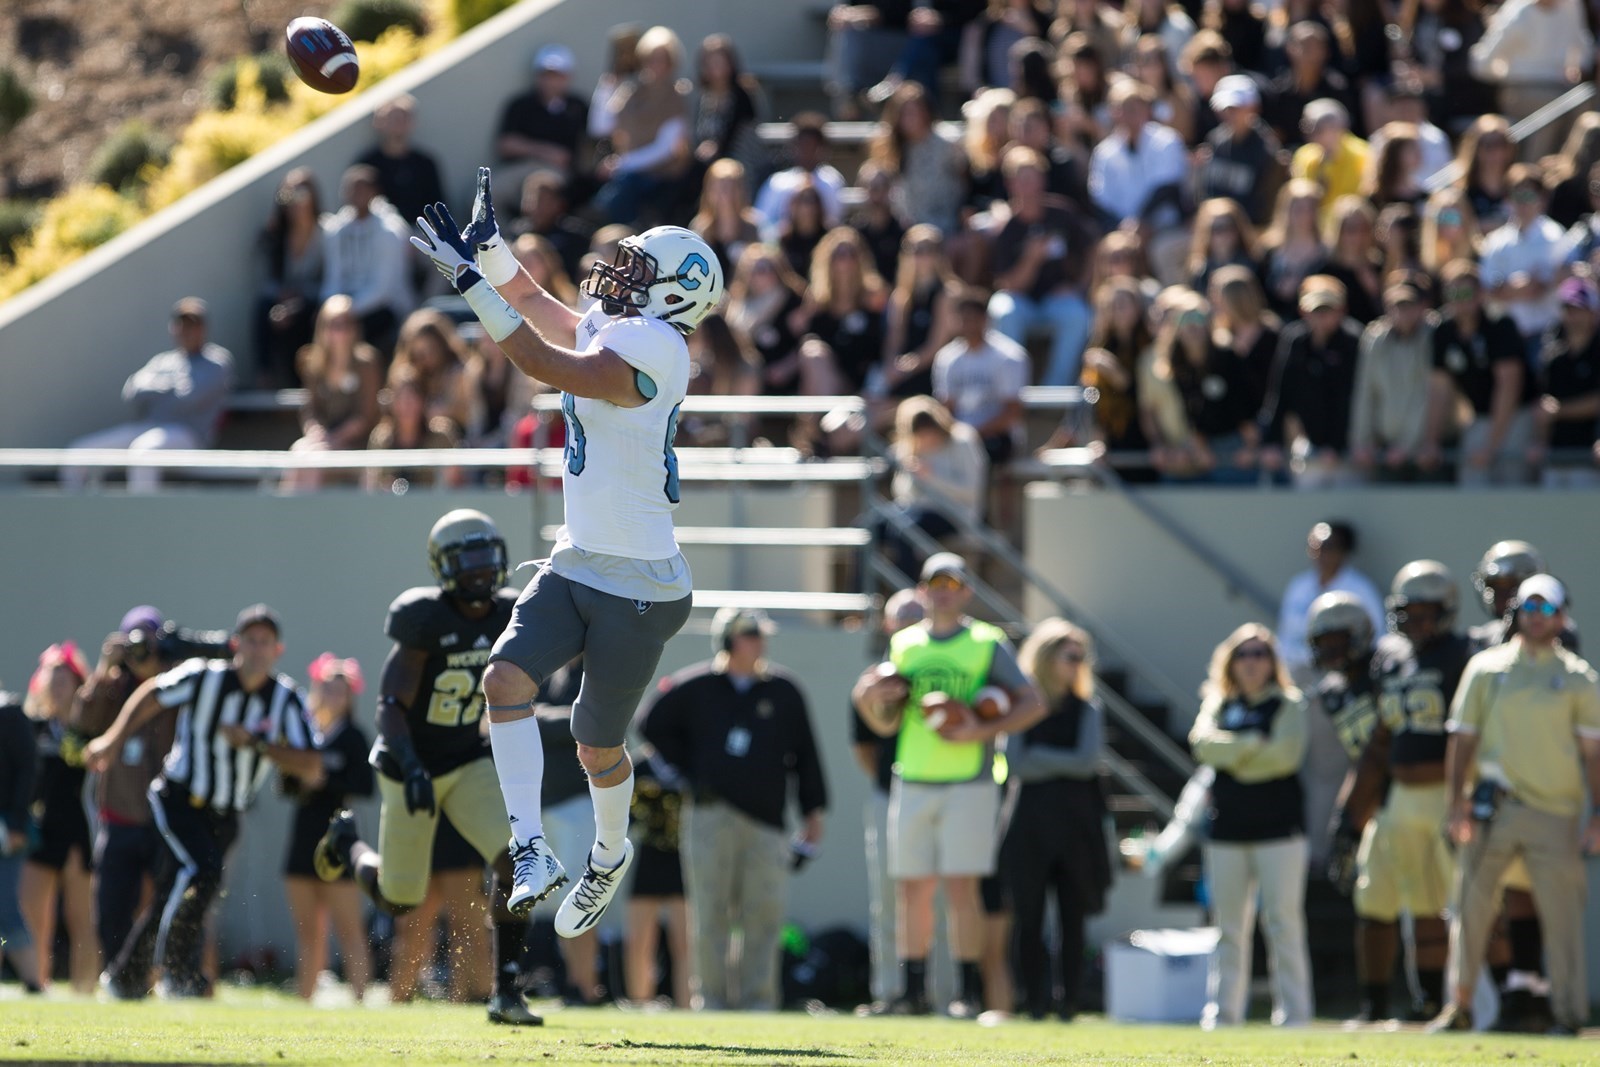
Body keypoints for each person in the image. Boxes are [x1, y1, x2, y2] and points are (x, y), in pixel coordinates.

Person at [407, 169, 720, 953]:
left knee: (594, 747)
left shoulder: (659, 347)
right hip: (579, 557)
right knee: (504, 681)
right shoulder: (626, 325)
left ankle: (607, 855)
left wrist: (472, 285)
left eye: (642, 271)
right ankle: (532, 847)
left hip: (641, 584)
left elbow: (548, 364)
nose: (623, 275)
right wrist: (495, 254)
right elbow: (554, 315)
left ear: (673, 299)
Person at [311, 509, 538, 1025]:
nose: (482, 571)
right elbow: (391, 705)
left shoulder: (510, 613)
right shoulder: (425, 618)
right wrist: (411, 767)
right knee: (399, 899)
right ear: (444, 566)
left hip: (464, 758)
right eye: (469, 560)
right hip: (409, 762)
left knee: (517, 859)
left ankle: (506, 989)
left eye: (488, 558)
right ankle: (348, 844)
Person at [86, 604, 320, 999]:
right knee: (202, 872)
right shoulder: (203, 677)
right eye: (250, 640)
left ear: (277, 650)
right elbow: (152, 693)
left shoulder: (286, 698)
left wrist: (257, 743)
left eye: (266, 642)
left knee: (183, 888)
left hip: (226, 812)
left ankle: (125, 977)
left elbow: (312, 765)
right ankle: (176, 972)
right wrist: (113, 738)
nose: (257, 649)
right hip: (179, 799)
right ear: (235, 644)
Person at [851, 553, 1045, 1018]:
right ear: (921, 590)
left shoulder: (986, 641)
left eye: (952, 583)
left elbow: (1031, 702)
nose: (942, 591)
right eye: (934, 582)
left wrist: (978, 731)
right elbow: (883, 723)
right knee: (911, 890)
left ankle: (965, 992)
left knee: (962, 888)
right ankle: (912, 991)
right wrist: (869, 698)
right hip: (913, 776)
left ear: (967, 592)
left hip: (969, 781)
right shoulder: (905, 644)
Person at [1432, 575, 1600, 1035]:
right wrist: (1456, 804)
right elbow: (1462, 740)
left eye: (1546, 609)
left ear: (1563, 616)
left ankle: (1568, 1015)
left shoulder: (1578, 679)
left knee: (1562, 918)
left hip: (1556, 814)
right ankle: (1459, 1007)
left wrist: (1597, 816)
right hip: (1495, 808)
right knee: (1471, 909)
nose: (1536, 617)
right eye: (1529, 608)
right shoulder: (1486, 668)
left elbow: (1593, 756)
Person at [638, 608, 828, 1011]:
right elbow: (650, 724)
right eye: (748, 634)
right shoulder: (696, 686)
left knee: (764, 913)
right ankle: (712, 1000)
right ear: (726, 640)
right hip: (710, 814)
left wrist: (813, 813)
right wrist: (689, 772)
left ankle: (760, 1000)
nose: (758, 642)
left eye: (761, 634)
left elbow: (806, 755)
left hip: (767, 821)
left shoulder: (783, 690)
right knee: (709, 912)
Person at [1334, 562, 1474, 1022]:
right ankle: (1382, 1006)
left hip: (1448, 792)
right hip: (1399, 796)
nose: (1416, 622)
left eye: (1425, 612)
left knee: (1442, 906)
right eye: (1407, 613)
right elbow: (1377, 744)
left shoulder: (1463, 654)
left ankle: (1447, 1002)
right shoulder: (1390, 659)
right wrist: (1350, 818)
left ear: (1447, 611)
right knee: (1385, 903)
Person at [70, 607, 222, 969]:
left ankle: (184, 975)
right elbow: (83, 721)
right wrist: (106, 666)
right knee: (112, 909)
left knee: (179, 903)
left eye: (147, 643)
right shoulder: (114, 688)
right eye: (133, 643)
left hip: (166, 819)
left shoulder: (180, 684)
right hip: (120, 816)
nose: (140, 653)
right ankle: (121, 978)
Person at [1189, 623, 1312, 1029]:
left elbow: (1284, 757)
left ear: (1272, 662)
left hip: (1279, 831)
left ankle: (1294, 1016)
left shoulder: (1289, 704)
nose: (1251, 662)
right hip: (1226, 831)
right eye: (1243, 654)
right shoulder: (1218, 704)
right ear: (1230, 661)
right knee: (1229, 929)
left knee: (1283, 924)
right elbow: (1203, 745)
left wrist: (1233, 757)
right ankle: (1223, 1015)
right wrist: (1250, 746)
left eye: (1260, 654)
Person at [1004, 618, 1109, 1021]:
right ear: (1048, 658)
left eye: (1081, 658)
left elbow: (1086, 764)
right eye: (1070, 656)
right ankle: (1033, 1001)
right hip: (1028, 826)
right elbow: (1014, 764)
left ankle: (1070, 1003)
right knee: (1027, 917)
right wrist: (1057, 763)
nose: (1077, 664)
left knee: (1073, 919)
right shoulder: (1023, 705)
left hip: (1077, 827)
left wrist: (1041, 759)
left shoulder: (1088, 709)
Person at [62, 298, 234, 493]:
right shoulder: (163, 360)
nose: (186, 331)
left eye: (192, 325)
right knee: (78, 452)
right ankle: (77, 518)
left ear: (203, 329)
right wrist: (168, 386)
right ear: (173, 328)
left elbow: (188, 398)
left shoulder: (217, 361)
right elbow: (131, 390)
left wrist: (155, 387)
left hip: (188, 435)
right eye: (182, 324)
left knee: (143, 452)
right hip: (148, 427)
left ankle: (140, 521)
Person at [283, 654, 374, 1002]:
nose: (334, 697)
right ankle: (306, 998)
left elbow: (365, 786)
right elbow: (285, 783)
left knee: (349, 927)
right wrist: (303, 781)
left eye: (341, 691)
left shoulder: (353, 736)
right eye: (327, 689)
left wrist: (325, 780)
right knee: (308, 931)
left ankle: (360, 998)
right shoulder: (303, 733)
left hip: (339, 839)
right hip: (303, 837)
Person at [850, 590, 925, 1012]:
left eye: (919, 616)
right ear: (889, 626)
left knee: (938, 900)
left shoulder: (942, 672)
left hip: (940, 791)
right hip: (889, 796)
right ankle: (889, 992)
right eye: (903, 618)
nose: (911, 624)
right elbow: (865, 748)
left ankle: (943, 993)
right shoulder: (873, 681)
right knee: (888, 900)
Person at [986, 146, 1097, 388]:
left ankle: (1055, 388)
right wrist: (1031, 259)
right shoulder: (1006, 229)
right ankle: (1010, 387)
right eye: (1022, 179)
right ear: (1010, 184)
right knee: (1002, 310)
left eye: (1033, 178)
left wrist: (1078, 287)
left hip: (1057, 298)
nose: (1029, 186)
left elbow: (1092, 250)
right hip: (1022, 302)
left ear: (1043, 180)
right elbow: (1009, 285)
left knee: (1079, 315)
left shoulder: (1063, 213)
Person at [19, 643, 94, 993]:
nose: (58, 684)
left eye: (66, 678)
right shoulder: (33, 727)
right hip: (39, 828)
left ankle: (85, 986)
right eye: (53, 677)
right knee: (32, 911)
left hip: (75, 828)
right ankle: (40, 981)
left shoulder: (85, 729)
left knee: (80, 916)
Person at [1420, 260, 1531, 485]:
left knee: (1513, 485)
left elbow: (1508, 387)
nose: (1460, 300)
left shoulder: (1500, 324)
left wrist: (1492, 446)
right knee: (1472, 482)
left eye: (1466, 293)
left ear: (1480, 294)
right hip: (1479, 417)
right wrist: (1431, 441)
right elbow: (1440, 389)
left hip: (1516, 415)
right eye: (1453, 293)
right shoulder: (1444, 331)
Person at [1258, 275, 1364, 487]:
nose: (1321, 317)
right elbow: (1279, 394)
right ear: (1303, 311)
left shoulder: (1355, 341)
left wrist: (1336, 445)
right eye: (1316, 311)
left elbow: (1350, 398)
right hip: (1311, 447)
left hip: (1352, 449)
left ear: (1341, 310)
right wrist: (1272, 442)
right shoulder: (1294, 341)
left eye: (1328, 310)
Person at [591, 26, 693, 227]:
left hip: (662, 177)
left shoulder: (677, 96)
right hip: (629, 173)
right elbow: (600, 127)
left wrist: (621, 163)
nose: (655, 65)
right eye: (650, 59)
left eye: (662, 59)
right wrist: (608, 84)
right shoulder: (632, 91)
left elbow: (666, 149)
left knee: (620, 194)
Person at [1469, 0, 1594, 163]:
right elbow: (1482, 63)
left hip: (1564, 92)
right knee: (1547, 111)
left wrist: (1577, 70)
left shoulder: (1571, 6)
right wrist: (1514, 76)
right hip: (1523, 91)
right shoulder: (1517, 12)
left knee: (1586, 108)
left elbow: (1583, 48)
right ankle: (1532, 170)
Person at [879, 395, 988, 582]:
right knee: (866, 528)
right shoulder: (908, 445)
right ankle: (858, 605)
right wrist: (911, 473)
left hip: (954, 515)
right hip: (913, 511)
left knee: (906, 532)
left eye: (929, 429)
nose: (925, 436)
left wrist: (931, 477)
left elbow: (972, 491)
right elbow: (902, 495)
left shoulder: (963, 440)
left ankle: (910, 597)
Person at [282, 295, 382, 493]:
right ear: (323, 327)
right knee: (297, 452)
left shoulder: (367, 363)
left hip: (357, 443)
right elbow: (310, 409)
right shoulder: (312, 362)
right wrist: (314, 430)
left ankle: (308, 518)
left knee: (317, 461)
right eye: (334, 324)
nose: (341, 331)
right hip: (324, 440)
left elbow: (366, 416)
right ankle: (288, 516)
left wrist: (334, 438)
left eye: (347, 324)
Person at [321, 164, 415, 360]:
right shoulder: (336, 230)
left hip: (383, 307)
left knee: (359, 327)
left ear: (374, 192)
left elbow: (382, 289)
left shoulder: (389, 231)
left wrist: (347, 311)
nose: (356, 195)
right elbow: (333, 275)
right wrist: (330, 307)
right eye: (351, 189)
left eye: (362, 189)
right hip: (346, 305)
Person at [1348, 280, 1437, 482]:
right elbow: (1366, 392)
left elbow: (1426, 395)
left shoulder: (1434, 337)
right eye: (1396, 306)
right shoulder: (1375, 340)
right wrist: (1362, 442)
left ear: (1421, 307)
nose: (1402, 312)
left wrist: (1407, 446)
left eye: (1408, 306)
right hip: (1386, 451)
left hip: (1424, 453)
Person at [933, 284, 1030, 466]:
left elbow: (1012, 412)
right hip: (958, 437)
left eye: (973, 318)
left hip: (997, 437)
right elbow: (946, 408)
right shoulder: (947, 358)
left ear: (985, 319)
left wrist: (975, 433)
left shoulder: (1009, 356)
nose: (968, 324)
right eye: (963, 319)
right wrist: (961, 434)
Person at [623, 746, 690, 1007]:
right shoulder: (640, 766)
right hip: (648, 858)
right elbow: (626, 814)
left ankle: (689, 1004)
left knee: (685, 942)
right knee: (639, 940)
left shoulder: (692, 761)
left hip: (684, 862)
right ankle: (640, 1002)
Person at [1277, 520, 1386, 670]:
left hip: (1346, 670)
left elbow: (1376, 634)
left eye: (1328, 547)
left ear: (1344, 551)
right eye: (1314, 547)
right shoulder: (1298, 585)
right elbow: (1285, 635)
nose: (1321, 553)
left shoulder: (1361, 589)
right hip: (1298, 669)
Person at [255, 168, 326, 387]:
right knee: (265, 308)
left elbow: (332, 280)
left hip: (315, 301)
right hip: (284, 301)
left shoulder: (327, 232)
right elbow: (271, 281)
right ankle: (265, 374)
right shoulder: (277, 236)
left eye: (301, 194)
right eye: (288, 195)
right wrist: (283, 295)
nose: (295, 202)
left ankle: (304, 383)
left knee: (299, 315)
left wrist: (300, 297)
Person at [494, 45, 589, 206]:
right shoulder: (521, 104)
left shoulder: (578, 106)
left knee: (544, 200)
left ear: (568, 77)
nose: (551, 82)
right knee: (485, 197)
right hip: (522, 168)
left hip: (562, 173)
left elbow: (590, 145)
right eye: (546, 75)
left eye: (557, 76)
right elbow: (506, 144)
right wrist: (545, 152)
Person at [0, 684, 42, 993]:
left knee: (5, 904)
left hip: (7, 828)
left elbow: (28, 768)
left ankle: (33, 983)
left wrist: (15, 822)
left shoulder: (9, 713)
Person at [355, 95, 444, 240]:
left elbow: (438, 208)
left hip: (422, 235)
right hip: (380, 237)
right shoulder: (366, 166)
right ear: (378, 122)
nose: (397, 125)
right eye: (391, 119)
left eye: (403, 118)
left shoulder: (426, 163)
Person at [753, 113, 847, 231]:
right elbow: (763, 223)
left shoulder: (832, 181)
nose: (806, 151)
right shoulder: (777, 183)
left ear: (822, 148)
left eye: (812, 146)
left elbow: (835, 221)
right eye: (802, 145)